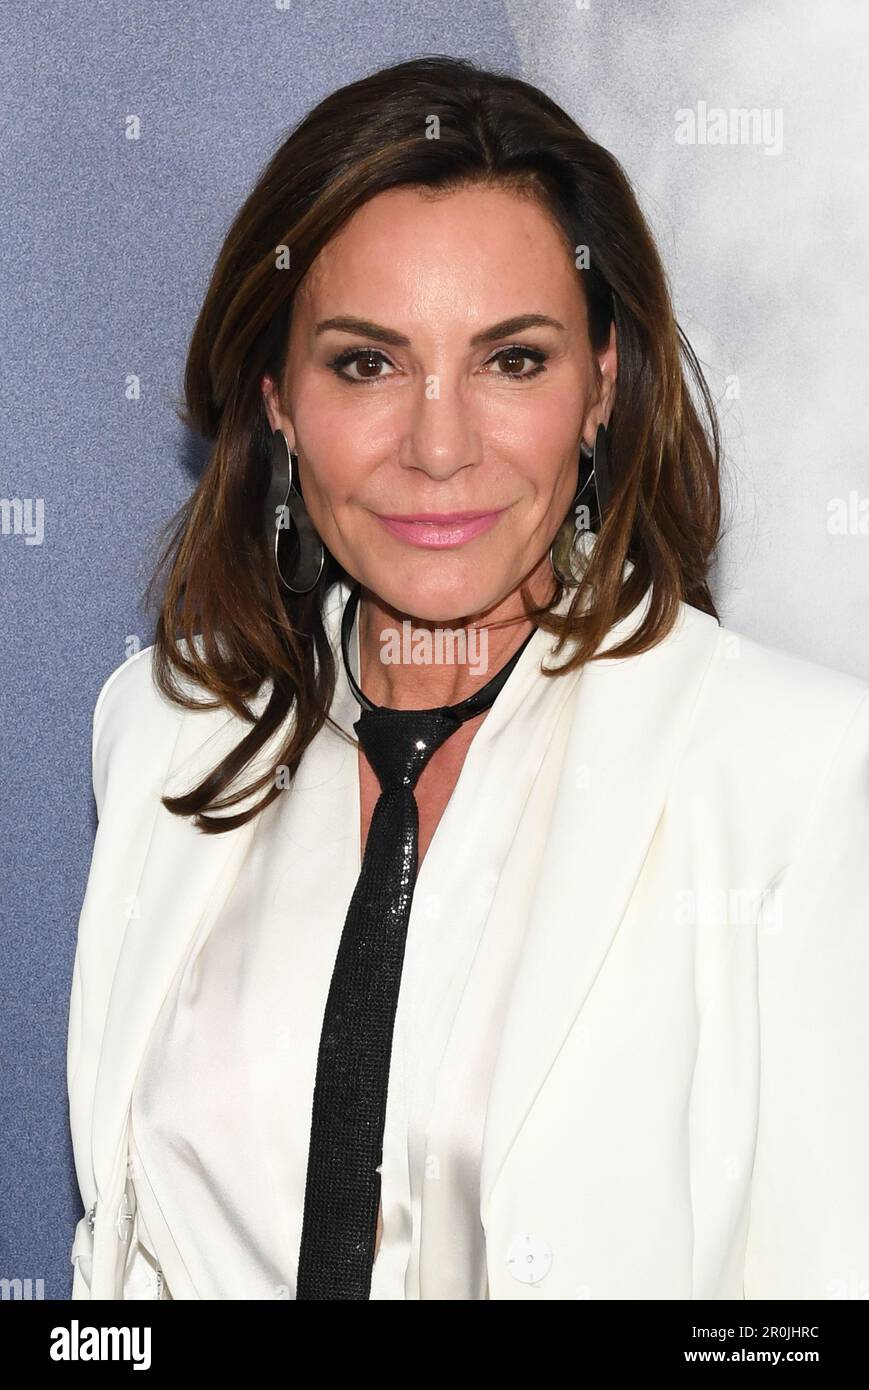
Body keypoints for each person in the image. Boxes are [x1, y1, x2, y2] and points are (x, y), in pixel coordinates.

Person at [67, 54, 869, 1301]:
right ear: (276, 399)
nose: (438, 447)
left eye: (510, 361)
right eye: (366, 364)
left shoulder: (790, 773)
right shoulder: (162, 729)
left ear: (601, 387)